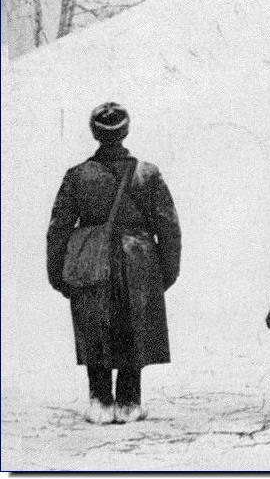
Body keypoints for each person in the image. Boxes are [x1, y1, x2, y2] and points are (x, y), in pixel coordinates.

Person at [46, 102, 181, 425]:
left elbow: (58, 230)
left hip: (91, 261)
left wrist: (58, 275)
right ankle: (130, 402)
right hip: (140, 260)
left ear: (94, 132)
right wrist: (165, 273)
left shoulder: (77, 176)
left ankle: (100, 402)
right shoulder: (148, 174)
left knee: (95, 325)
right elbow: (169, 228)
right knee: (134, 325)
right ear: (126, 130)